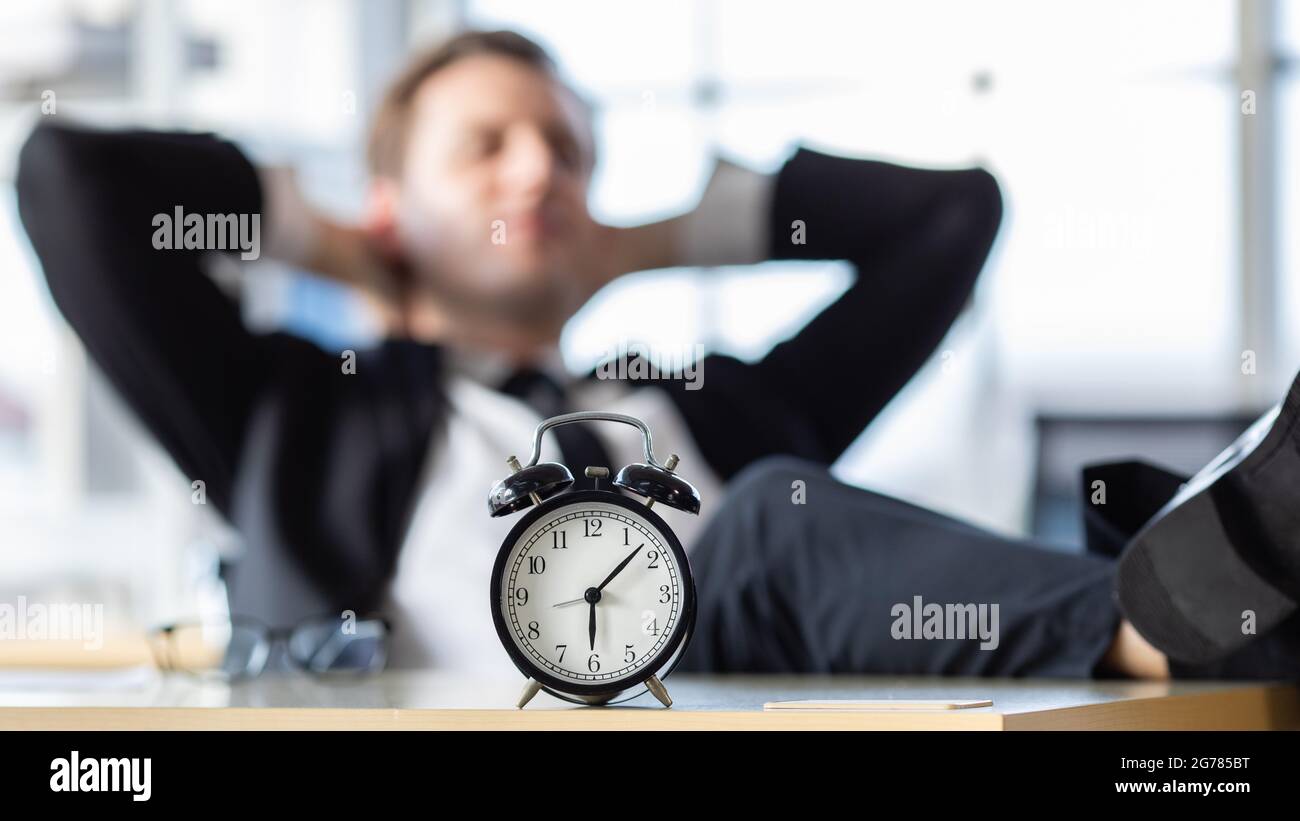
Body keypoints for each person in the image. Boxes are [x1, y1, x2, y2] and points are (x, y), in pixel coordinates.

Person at [16, 29, 1300, 682]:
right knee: (764, 523)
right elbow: (69, 181)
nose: (542, 169)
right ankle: (1189, 607)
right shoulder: (294, 420)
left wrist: (647, 240)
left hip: (742, 704)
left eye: (570, 150)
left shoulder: (716, 405)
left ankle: (1198, 605)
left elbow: (950, 218)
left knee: (770, 514)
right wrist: (348, 240)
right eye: (489, 146)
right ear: (390, 197)